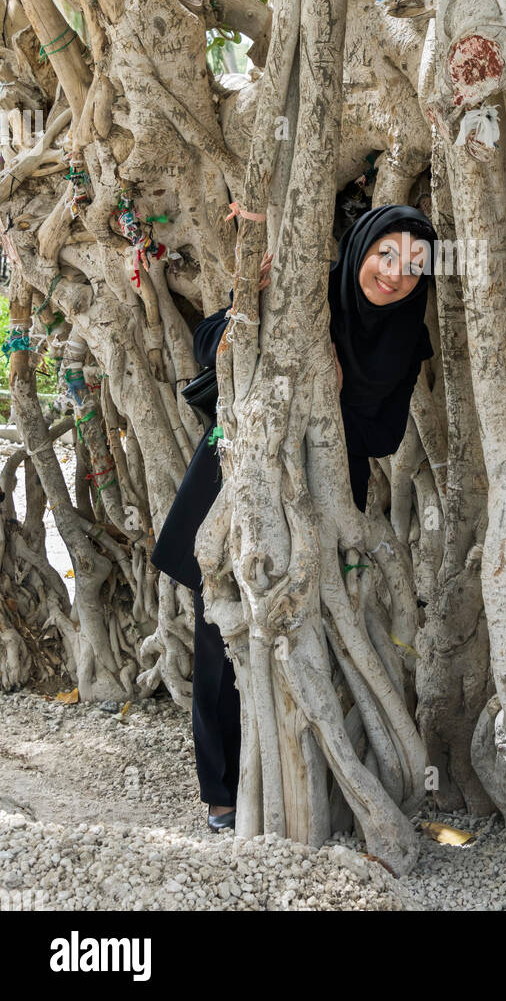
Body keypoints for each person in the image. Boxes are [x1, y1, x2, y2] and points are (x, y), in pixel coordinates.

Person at [150, 203, 436, 831]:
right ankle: (225, 794)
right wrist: (249, 299)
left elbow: (384, 434)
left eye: (415, 267)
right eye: (385, 255)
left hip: (328, 491)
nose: (396, 275)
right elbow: (211, 344)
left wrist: (325, 396)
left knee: (313, 627)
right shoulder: (308, 290)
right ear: (360, 249)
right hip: (247, 475)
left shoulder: (406, 334)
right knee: (226, 634)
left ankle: (320, 780)